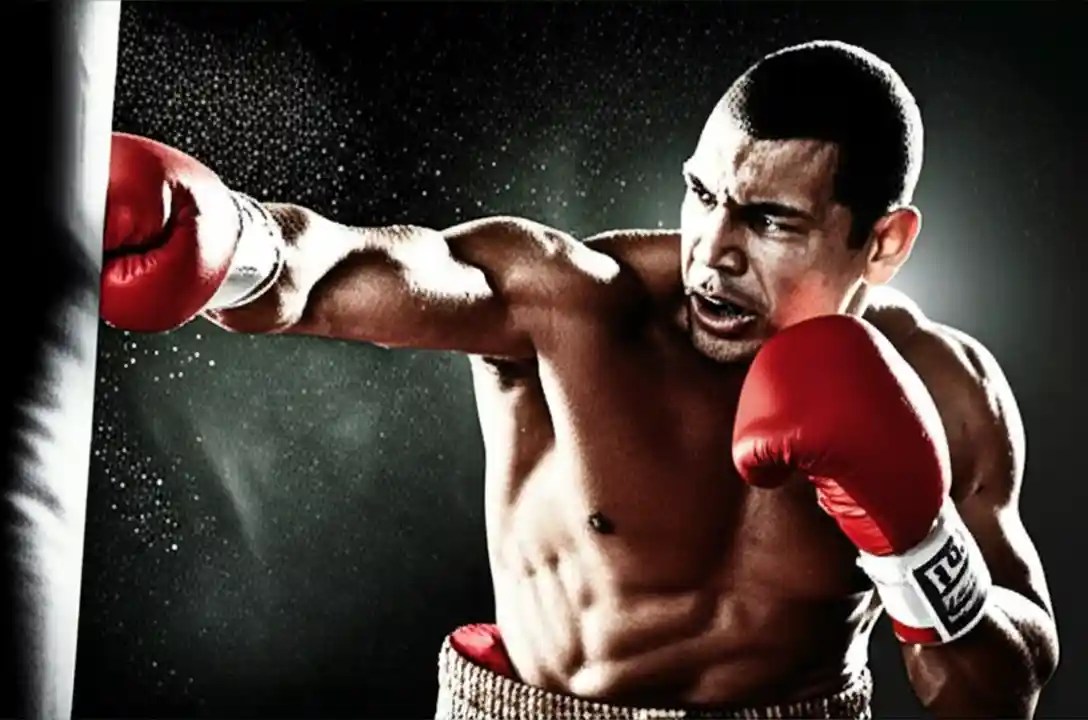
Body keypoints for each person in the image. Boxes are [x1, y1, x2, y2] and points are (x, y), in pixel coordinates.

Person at [100, 41, 1059, 719]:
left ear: (883, 242)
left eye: (770, 222)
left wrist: (919, 546)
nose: (712, 256)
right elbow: (372, 269)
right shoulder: (573, 302)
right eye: (701, 196)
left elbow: (1001, 691)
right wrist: (239, 246)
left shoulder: (946, 389)